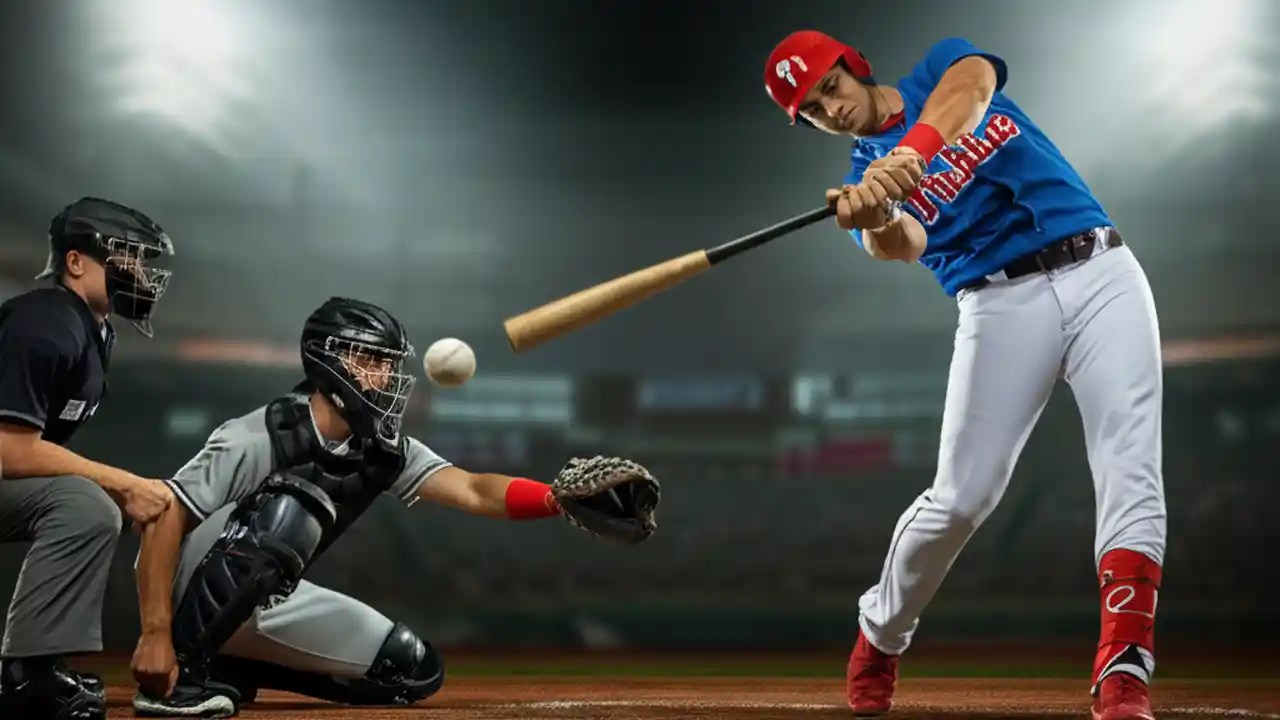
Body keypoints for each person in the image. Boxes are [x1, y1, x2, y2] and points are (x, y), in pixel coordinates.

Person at [763, 32, 1165, 720]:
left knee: (1131, 465)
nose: (831, 108)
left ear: (855, 64)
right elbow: (902, 247)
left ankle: (1124, 668)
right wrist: (882, 212)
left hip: (1104, 270)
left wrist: (913, 154)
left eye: (830, 86)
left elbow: (973, 87)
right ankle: (880, 633)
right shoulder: (864, 182)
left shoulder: (936, 70)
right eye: (812, 110)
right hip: (999, 302)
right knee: (962, 497)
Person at [130, 297, 659, 718]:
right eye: (371, 360)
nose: (384, 376)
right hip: (185, 579)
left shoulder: (383, 450)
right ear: (327, 360)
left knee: (411, 668)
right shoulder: (256, 434)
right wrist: (155, 633)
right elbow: (163, 517)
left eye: (389, 363)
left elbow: (473, 488)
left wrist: (553, 498)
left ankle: (232, 660)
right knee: (288, 513)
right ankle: (178, 674)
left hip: (260, 596)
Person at [0, 197, 177, 720]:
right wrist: (123, 483)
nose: (141, 272)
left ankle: (37, 666)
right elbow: (11, 451)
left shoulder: (92, 328)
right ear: (76, 261)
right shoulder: (44, 321)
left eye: (145, 260)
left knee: (83, 498)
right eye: (128, 256)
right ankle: (25, 676)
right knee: (86, 503)